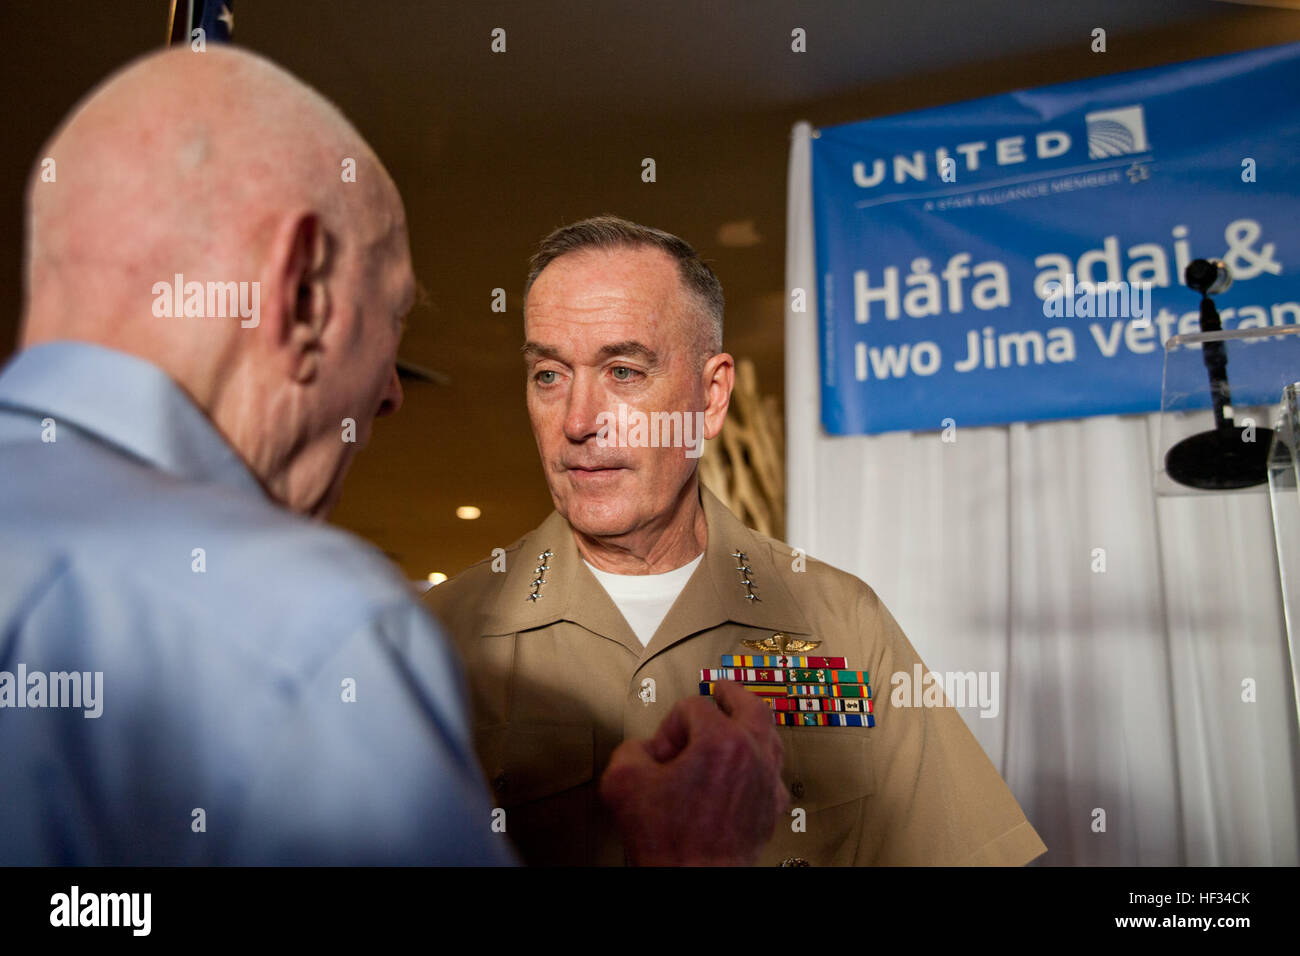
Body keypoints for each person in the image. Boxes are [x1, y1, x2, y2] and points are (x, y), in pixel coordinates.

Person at [0, 48, 786, 866]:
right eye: (389, 317)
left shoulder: (842, 623)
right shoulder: (314, 631)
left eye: (623, 371)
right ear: (301, 290)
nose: (392, 392)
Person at [425, 215, 1050, 866]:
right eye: (549, 375)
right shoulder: (437, 641)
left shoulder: (838, 623)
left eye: (624, 372)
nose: (579, 422)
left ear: (711, 395)